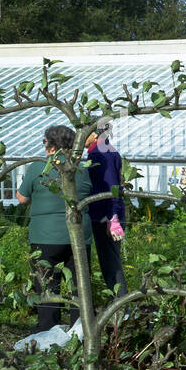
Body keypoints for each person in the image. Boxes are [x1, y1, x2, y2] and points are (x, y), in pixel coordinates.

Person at [15, 125, 91, 333]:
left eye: (44, 141)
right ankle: (81, 331)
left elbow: (21, 198)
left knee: (48, 284)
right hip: (79, 237)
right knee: (79, 285)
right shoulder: (82, 169)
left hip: (45, 237)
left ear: (51, 145)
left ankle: (48, 330)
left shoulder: (39, 167)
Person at [83, 117, 128, 297]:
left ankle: (120, 308)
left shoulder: (100, 154)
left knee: (111, 265)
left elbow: (112, 188)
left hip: (105, 216)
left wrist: (113, 217)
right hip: (105, 214)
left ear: (94, 134)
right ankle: (119, 308)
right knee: (110, 263)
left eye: (84, 132)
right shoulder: (105, 150)